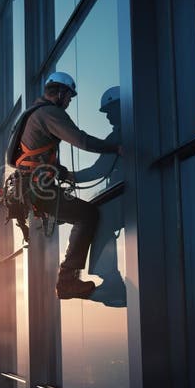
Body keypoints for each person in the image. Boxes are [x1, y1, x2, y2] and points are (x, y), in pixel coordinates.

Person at [13, 72, 122, 300]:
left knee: (83, 214)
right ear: (61, 93)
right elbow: (81, 140)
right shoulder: (49, 113)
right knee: (88, 214)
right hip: (38, 188)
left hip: (31, 187)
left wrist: (60, 171)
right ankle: (67, 281)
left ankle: (72, 278)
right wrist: (114, 148)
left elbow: (34, 151)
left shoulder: (33, 113)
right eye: (69, 98)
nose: (69, 102)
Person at [73, 86, 126, 307]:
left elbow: (98, 171)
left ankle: (112, 281)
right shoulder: (129, 131)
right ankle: (111, 281)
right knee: (97, 219)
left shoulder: (120, 136)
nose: (107, 117)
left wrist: (67, 176)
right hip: (129, 194)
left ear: (120, 106)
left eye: (109, 111)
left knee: (94, 219)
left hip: (127, 196)